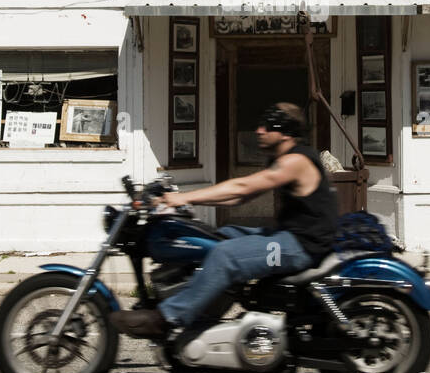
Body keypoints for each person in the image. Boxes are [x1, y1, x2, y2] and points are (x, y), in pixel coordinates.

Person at [110, 102, 338, 339]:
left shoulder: (296, 161)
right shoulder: (283, 159)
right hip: (290, 237)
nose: (259, 131)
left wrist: (181, 198)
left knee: (226, 255)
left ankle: (166, 318)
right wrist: (188, 202)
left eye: (267, 126)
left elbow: (241, 187)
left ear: (284, 131)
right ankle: (205, 315)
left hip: (303, 245)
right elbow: (239, 198)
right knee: (217, 237)